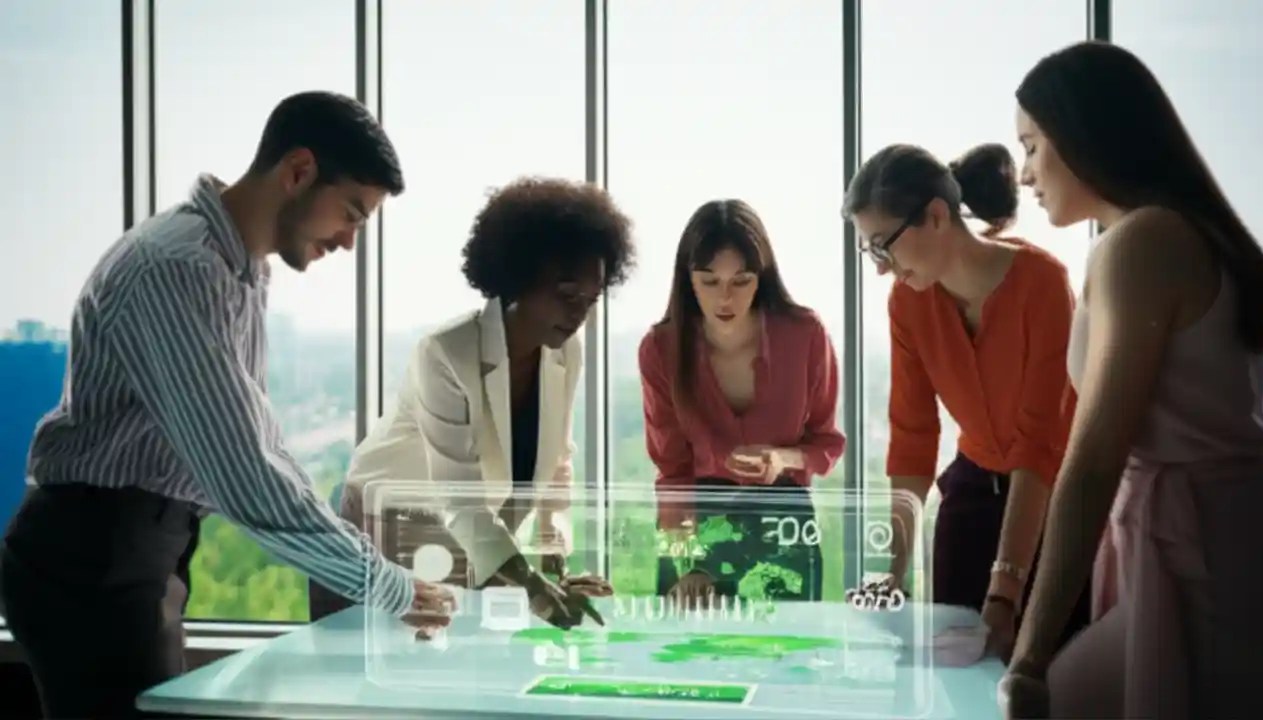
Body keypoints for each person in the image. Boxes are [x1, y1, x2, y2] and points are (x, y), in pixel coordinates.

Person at [0, 91, 456, 719]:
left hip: (136, 550)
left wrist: (372, 569)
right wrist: (385, 584)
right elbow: (246, 473)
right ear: (298, 172)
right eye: (351, 212)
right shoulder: (177, 266)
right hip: (92, 559)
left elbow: (260, 442)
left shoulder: (239, 269)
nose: (350, 242)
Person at [1001, 41, 1263, 720]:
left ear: (1085, 133)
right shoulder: (1191, 235)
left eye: (1033, 145)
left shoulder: (1139, 245)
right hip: (1219, 538)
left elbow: (1094, 459)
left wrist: (1030, 661)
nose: (1024, 174)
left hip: (1197, 554)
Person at [316, 177, 636, 628]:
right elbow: (460, 498)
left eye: (591, 297)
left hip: (461, 545)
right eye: (567, 294)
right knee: (370, 684)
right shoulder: (446, 352)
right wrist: (528, 584)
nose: (579, 312)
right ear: (520, 278)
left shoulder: (566, 351)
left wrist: (553, 564)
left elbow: (556, 465)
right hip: (380, 536)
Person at [842, 142, 1089, 662]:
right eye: (871, 252)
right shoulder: (908, 302)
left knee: (1050, 678)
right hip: (971, 498)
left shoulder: (1043, 284)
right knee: (954, 681)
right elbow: (912, 436)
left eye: (883, 246)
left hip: (1055, 505)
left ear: (935, 216)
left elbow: (1039, 444)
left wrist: (1006, 590)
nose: (882, 268)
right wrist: (893, 572)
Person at [639, 199, 845, 608]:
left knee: (787, 663)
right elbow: (672, 472)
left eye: (741, 280)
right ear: (688, 280)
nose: (725, 298)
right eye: (709, 281)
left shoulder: (804, 334)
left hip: (783, 528)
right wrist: (685, 564)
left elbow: (826, 445)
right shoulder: (660, 349)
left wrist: (782, 460)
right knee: (689, 662)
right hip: (695, 525)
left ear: (762, 277)